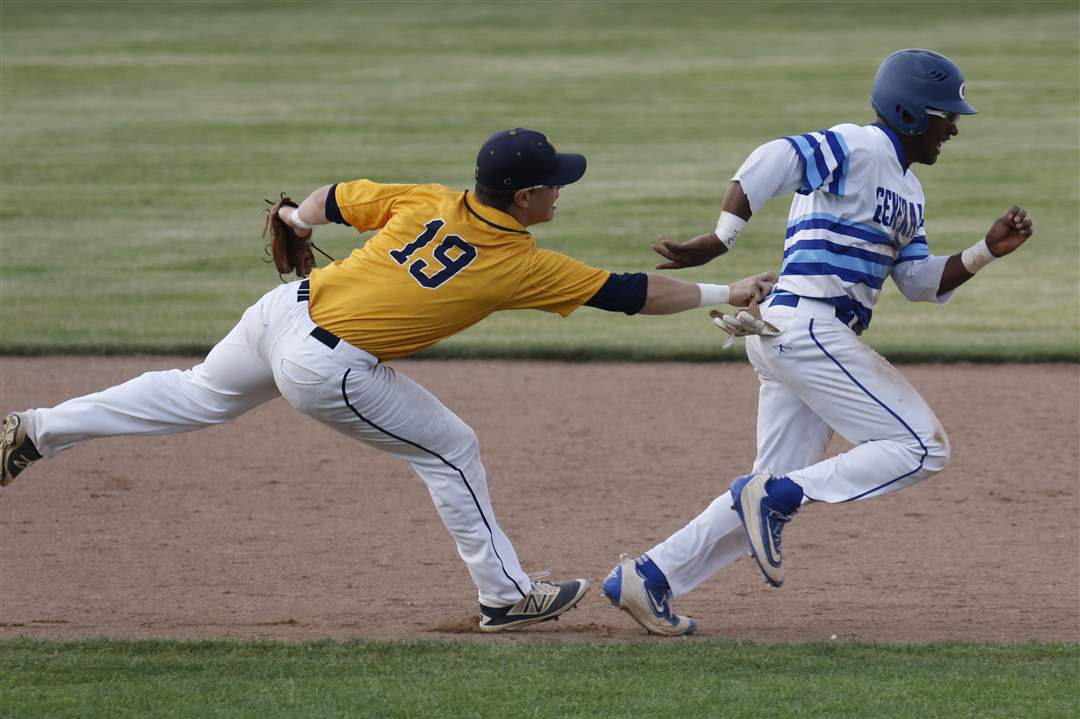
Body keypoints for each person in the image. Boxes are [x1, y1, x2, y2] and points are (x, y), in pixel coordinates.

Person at [1, 127, 775, 632]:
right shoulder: (519, 262)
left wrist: (299, 226)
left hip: (282, 312)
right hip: (326, 365)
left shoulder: (430, 198)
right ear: (524, 198)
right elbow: (628, 293)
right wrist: (726, 290)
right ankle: (506, 595)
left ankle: (35, 427)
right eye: (553, 184)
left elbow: (331, 198)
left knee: (193, 392)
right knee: (451, 450)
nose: (560, 191)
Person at [601, 50, 1034, 636]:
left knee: (765, 490)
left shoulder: (908, 189)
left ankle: (650, 575)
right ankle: (777, 495)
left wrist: (983, 252)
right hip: (808, 328)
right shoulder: (858, 145)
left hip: (792, 336)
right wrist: (723, 237)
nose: (953, 126)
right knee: (922, 447)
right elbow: (775, 156)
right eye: (944, 114)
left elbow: (915, 282)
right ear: (908, 112)